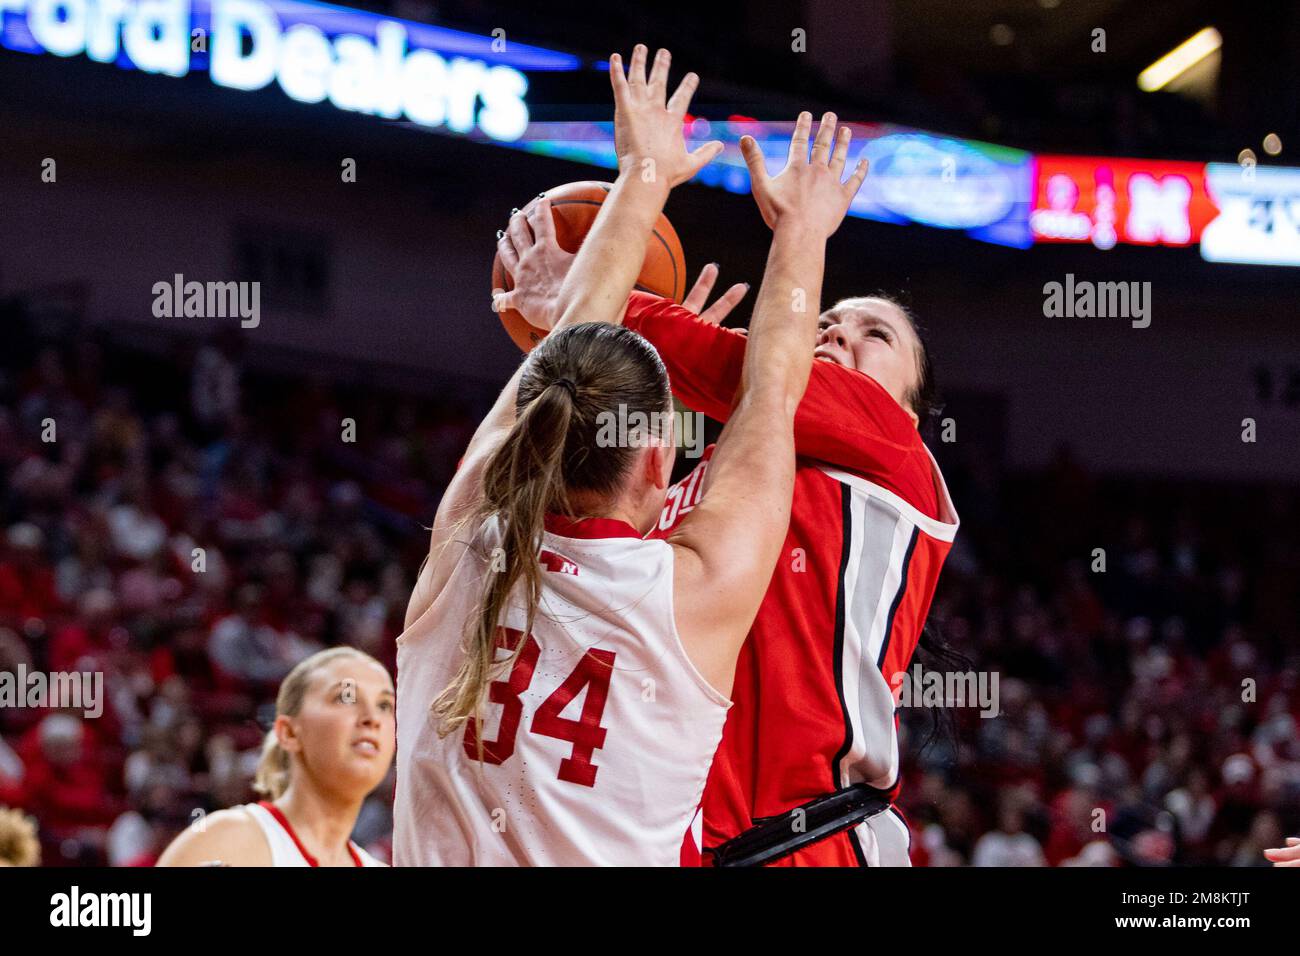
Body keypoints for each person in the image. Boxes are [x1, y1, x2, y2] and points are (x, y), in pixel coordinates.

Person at [394, 45, 867, 866]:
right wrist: (801, 230)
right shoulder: (697, 591)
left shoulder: (466, 538)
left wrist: (641, 177)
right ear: (661, 460)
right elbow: (773, 389)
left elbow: (572, 337)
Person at [498, 130, 957, 867]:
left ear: (908, 407)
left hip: (814, 840)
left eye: (875, 335)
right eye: (826, 323)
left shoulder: (894, 447)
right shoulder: (697, 487)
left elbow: (749, 372)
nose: (837, 335)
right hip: (680, 842)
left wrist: (593, 301)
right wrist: (629, 393)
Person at [156, 647, 393, 866]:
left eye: (384, 705)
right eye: (346, 697)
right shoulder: (227, 841)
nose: (372, 717)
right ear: (289, 732)